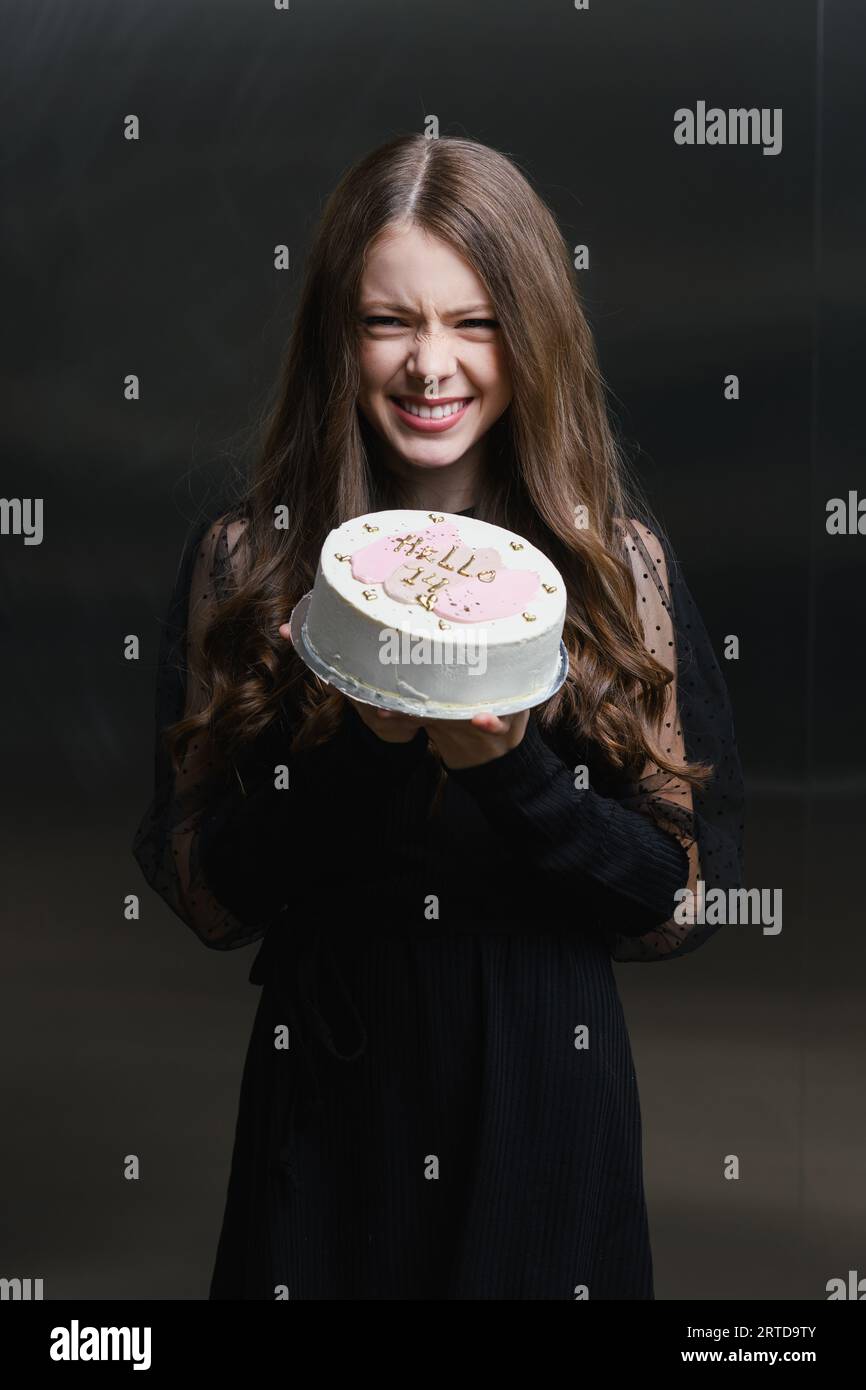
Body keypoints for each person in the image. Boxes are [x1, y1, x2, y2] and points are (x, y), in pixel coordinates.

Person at [132, 133, 745, 1300]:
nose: (430, 365)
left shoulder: (617, 569)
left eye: (473, 321)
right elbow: (210, 892)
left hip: (541, 1092)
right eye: (386, 322)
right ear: (335, 338)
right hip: (328, 1091)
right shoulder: (247, 562)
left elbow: (680, 898)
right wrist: (365, 747)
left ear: (532, 335)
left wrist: (513, 771)